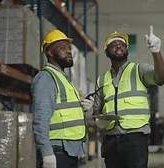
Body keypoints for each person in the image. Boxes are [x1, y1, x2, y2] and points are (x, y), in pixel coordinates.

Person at [92, 25, 164, 168]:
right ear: (107, 52)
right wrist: (99, 120)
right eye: (113, 45)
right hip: (110, 140)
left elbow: (161, 78)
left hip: (135, 138)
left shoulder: (139, 70)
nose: (119, 47)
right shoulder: (101, 80)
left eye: (122, 45)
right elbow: (97, 110)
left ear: (127, 50)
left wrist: (156, 52)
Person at [31, 30, 94, 168]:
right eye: (62, 48)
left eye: (69, 48)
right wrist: (47, 153)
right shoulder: (46, 78)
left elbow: (62, 113)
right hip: (56, 151)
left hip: (68, 151)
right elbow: (40, 119)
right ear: (50, 53)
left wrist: (81, 109)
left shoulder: (63, 79)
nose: (69, 51)